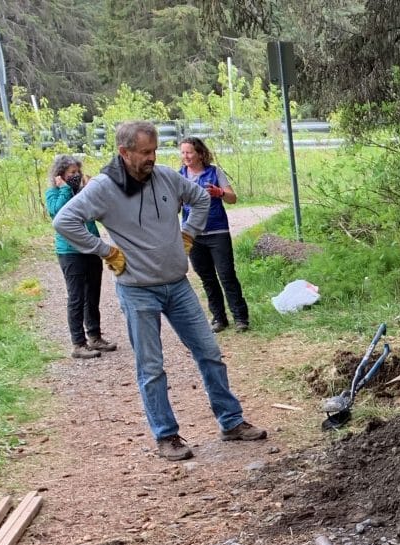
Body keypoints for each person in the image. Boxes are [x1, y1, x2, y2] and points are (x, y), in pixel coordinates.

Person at [52, 120, 266, 462]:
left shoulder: (166, 176)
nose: (152, 158)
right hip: (137, 290)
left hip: (177, 285)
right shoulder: (104, 187)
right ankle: (166, 436)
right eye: (145, 152)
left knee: (209, 351)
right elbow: (64, 221)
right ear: (124, 153)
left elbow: (199, 199)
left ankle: (231, 422)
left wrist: (189, 233)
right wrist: (104, 250)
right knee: (151, 367)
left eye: (154, 150)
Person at [46, 155, 118, 359]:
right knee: (76, 296)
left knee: (93, 294)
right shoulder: (54, 192)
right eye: (71, 173)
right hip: (69, 252)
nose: (76, 176)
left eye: (77, 172)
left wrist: (88, 189)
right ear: (60, 175)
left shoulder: (83, 192)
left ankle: (94, 336)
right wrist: (65, 189)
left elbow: (97, 210)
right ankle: (78, 343)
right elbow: (57, 213)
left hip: (91, 248)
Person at [178, 136, 250, 333]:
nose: (185, 156)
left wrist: (219, 192)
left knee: (226, 275)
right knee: (207, 278)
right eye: (183, 152)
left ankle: (241, 318)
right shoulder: (179, 176)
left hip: (218, 231)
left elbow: (233, 199)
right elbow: (174, 206)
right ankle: (219, 318)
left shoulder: (214, 172)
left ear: (200, 153)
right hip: (192, 235)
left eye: (189, 152)